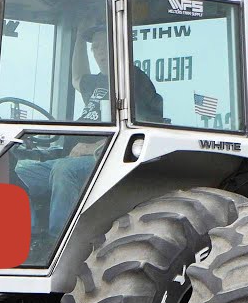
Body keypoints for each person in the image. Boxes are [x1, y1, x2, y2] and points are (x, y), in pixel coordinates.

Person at [15, 24, 163, 254]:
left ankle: (56, 243)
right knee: (20, 169)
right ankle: (29, 236)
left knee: (65, 169)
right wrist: (77, 36)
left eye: (105, 46)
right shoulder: (95, 82)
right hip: (74, 158)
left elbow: (143, 131)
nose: (100, 52)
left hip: (106, 161)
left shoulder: (134, 81)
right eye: (95, 48)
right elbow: (76, 78)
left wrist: (92, 148)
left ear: (119, 48)